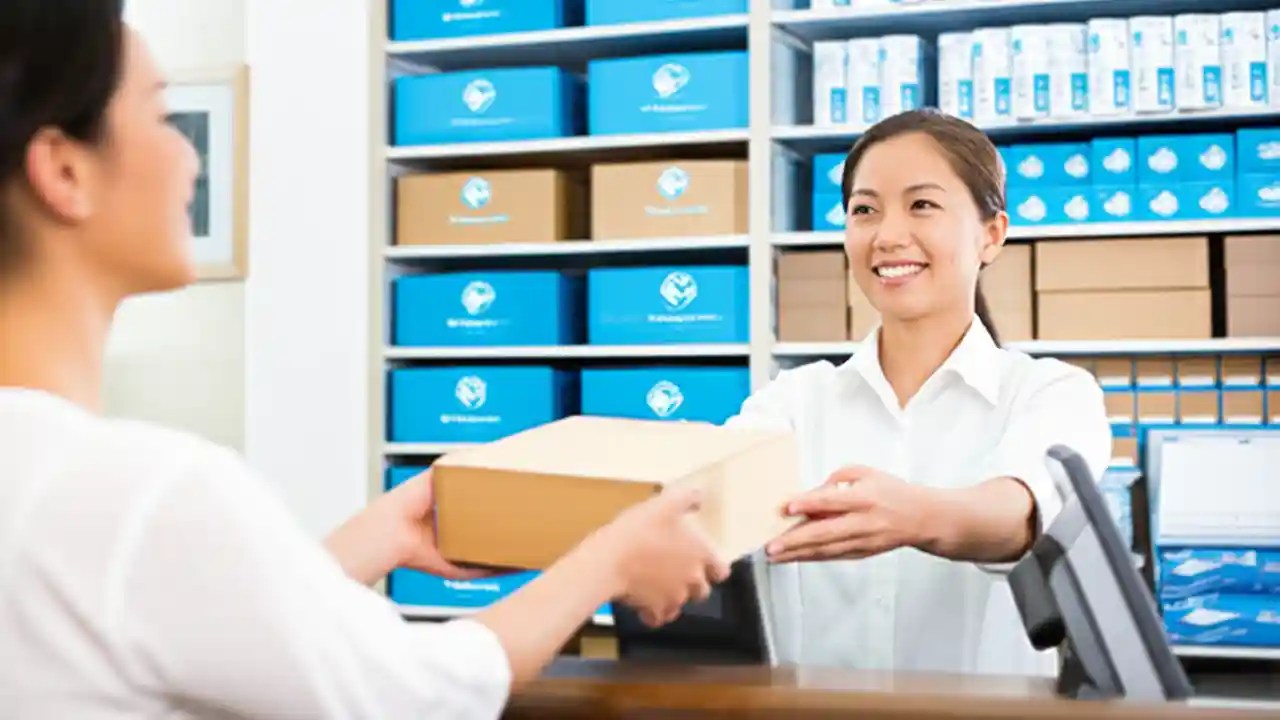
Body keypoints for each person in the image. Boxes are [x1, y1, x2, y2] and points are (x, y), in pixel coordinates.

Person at [0, 2, 729, 718]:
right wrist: (606, 564)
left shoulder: (64, 481)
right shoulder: (143, 489)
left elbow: (173, 622)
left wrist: (370, 543)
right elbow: (414, 694)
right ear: (64, 171)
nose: (190, 155)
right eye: (163, 116)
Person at [734, 109, 1111, 676]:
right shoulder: (791, 402)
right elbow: (709, 499)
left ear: (992, 234)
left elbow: (1020, 516)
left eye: (922, 205)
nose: (887, 236)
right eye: (864, 210)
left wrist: (916, 515)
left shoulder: (1052, 393)